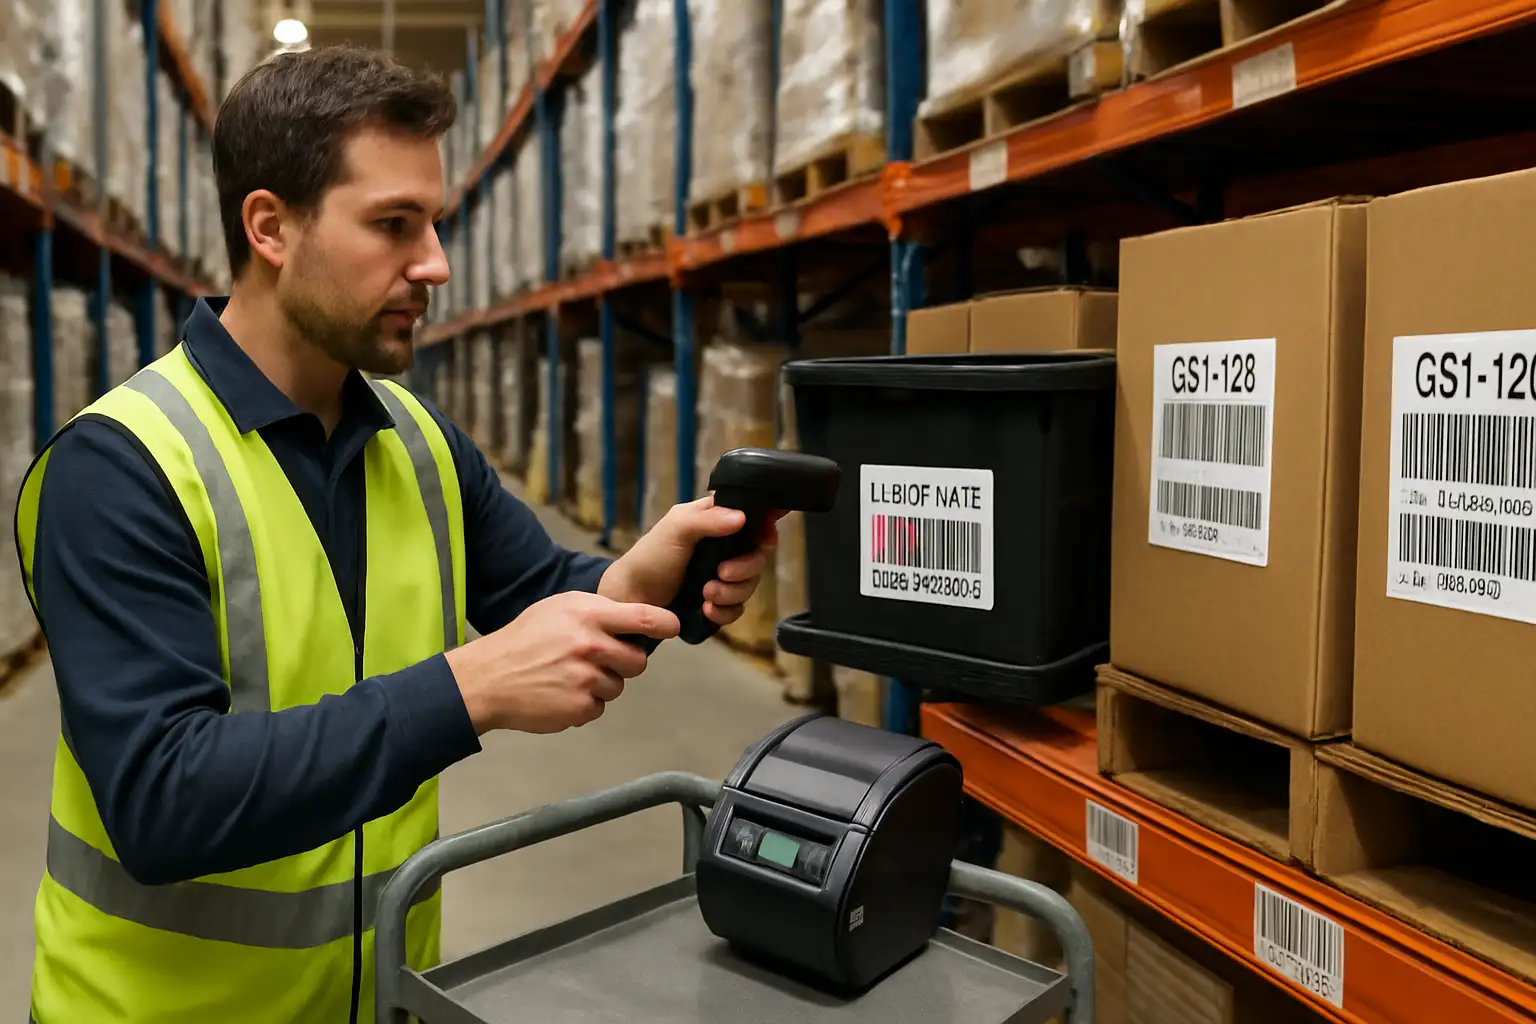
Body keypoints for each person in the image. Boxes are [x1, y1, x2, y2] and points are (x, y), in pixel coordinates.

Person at [13, 45, 776, 1024]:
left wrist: (649, 581)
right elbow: (161, 800)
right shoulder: (122, 467)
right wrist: (471, 687)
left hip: (381, 1000)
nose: (436, 264)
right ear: (269, 227)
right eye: (393, 225)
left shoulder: (416, 444)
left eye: (435, 223)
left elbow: (542, 591)